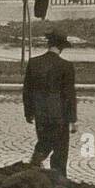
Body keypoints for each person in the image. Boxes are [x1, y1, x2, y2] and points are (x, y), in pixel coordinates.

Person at [23, 29, 77, 176]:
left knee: (44, 140)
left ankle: (35, 165)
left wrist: (29, 113)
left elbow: (27, 90)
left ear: (49, 44)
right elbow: (69, 94)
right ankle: (58, 179)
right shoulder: (66, 66)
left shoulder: (34, 63)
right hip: (59, 114)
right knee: (60, 150)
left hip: (40, 113)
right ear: (61, 47)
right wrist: (73, 120)